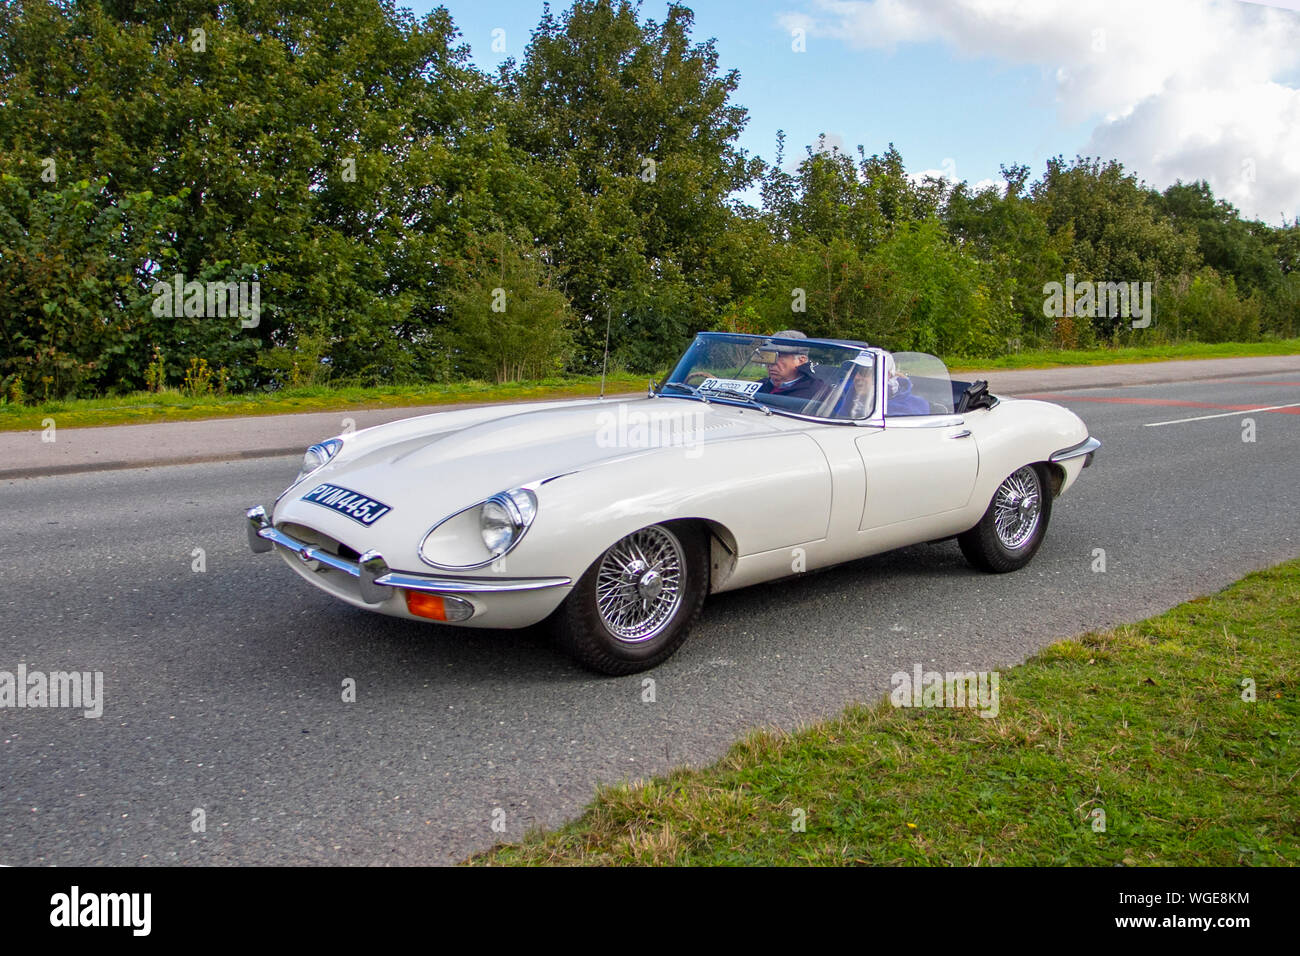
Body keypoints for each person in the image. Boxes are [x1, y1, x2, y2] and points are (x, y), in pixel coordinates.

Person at [753, 330, 829, 404]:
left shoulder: (817, 393)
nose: (771, 363)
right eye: (769, 356)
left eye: (778, 356)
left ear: (801, 360)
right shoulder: (760, 385)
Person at [832, 354, 876, 419]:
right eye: (854, 372)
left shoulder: (889, 406)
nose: (856, 377)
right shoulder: (847, 395)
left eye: (863, 372)